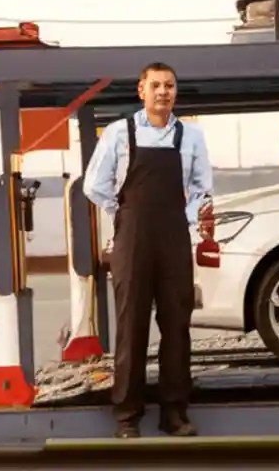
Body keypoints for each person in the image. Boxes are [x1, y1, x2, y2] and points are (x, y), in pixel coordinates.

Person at [83, 61, 214, 439]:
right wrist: (123, 213)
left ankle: (174, 413)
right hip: (132, 238)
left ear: (176, 92)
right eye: (155, 85)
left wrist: (183, 218)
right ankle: (127, 416)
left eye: (169, 86)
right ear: (141, 90)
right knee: (131, 326)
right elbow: (94, 185)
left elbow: (203, 187)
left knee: (176, 325)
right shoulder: (118, 132)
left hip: (174, 237)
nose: (163, 92)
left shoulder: (191, 136)